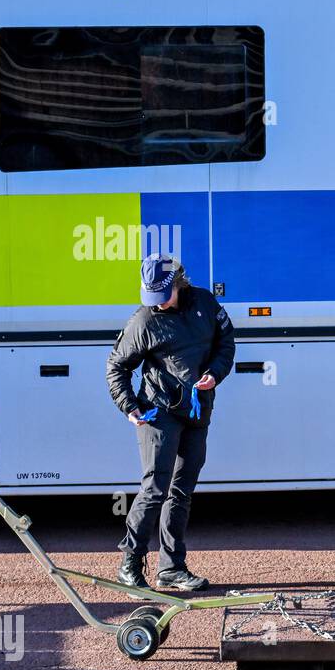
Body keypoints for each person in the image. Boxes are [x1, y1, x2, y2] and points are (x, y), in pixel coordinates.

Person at [106, 254, 235, 592]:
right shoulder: (144, 320)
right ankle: (129, 562)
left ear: (178, 283)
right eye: (151, 297)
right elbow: (117, 367)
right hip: (158, 411)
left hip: (196, 411)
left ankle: (172, 568)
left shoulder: (205, 303)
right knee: (154, 488)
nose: (158, 304)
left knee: (181, 491)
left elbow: (226, 344)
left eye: (162, 296)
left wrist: (214, 374)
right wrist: (129, 406)